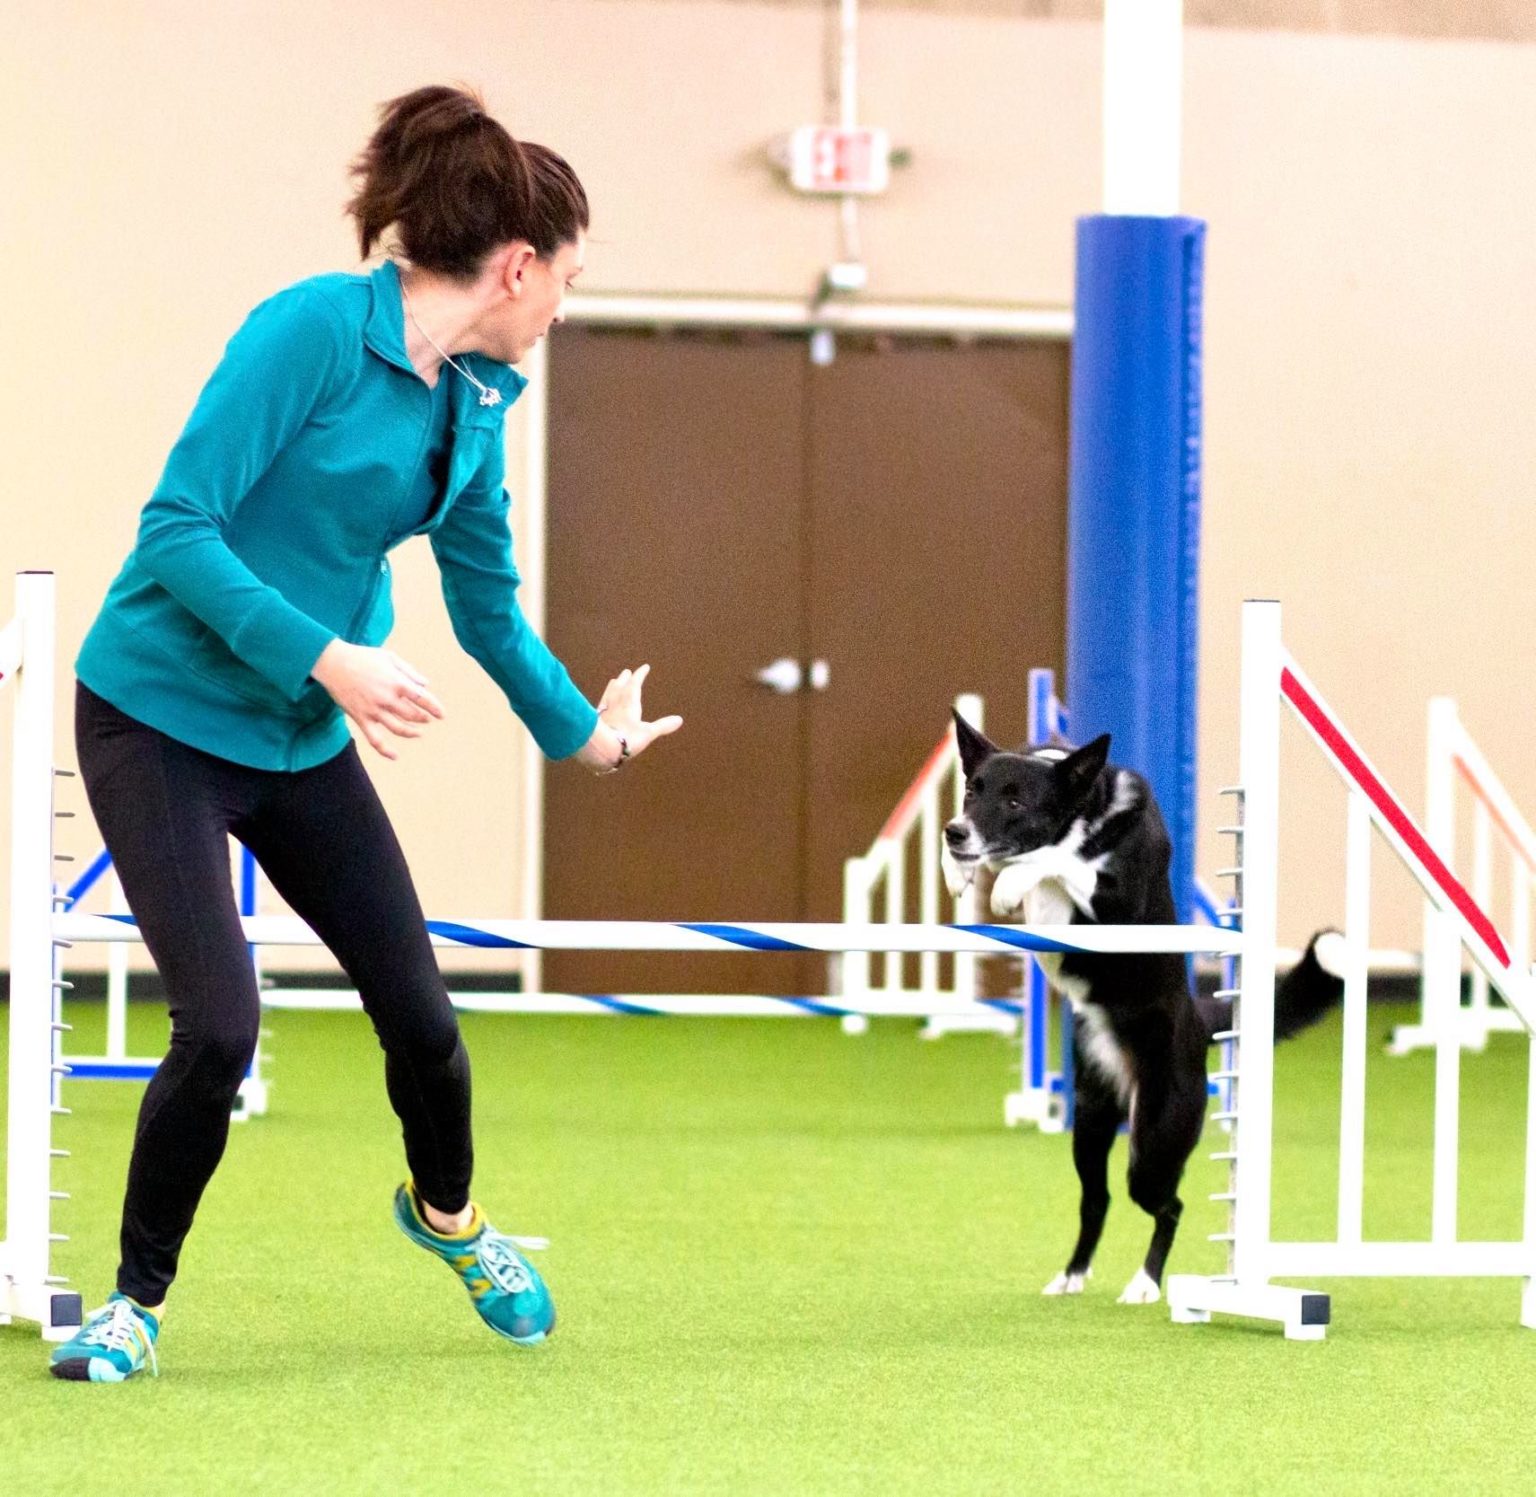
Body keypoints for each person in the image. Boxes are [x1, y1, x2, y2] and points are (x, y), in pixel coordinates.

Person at [49, 84, 681, 1383]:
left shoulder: (473, 403)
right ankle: (132, 1304)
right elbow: (176, 528)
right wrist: (333, 656)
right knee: (220, 1027)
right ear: (515, 266)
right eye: (563, 277)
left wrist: (586, 740)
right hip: (158, 715)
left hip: (294, 736)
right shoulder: (313, 333)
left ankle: (447, 1216)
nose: (562, 304)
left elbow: (490, 607)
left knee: (423, 1019)